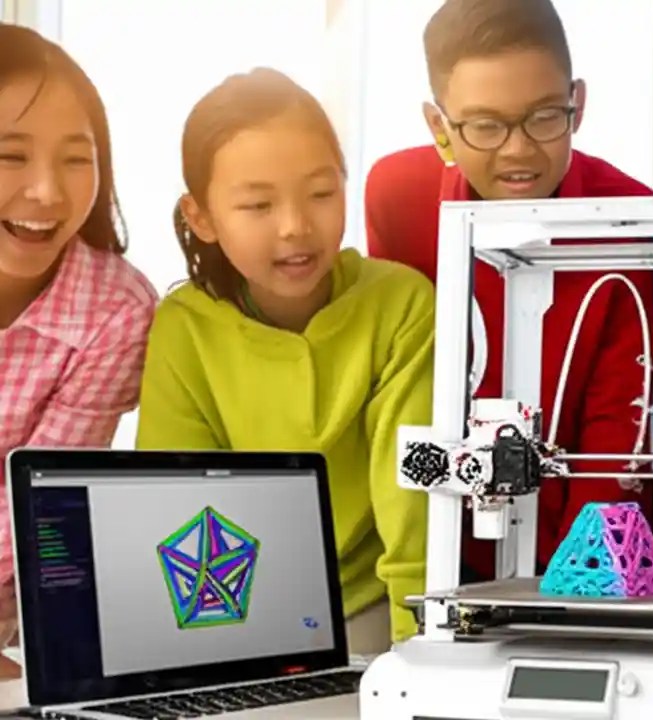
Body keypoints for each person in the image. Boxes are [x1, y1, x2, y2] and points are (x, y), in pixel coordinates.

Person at [135, 68, 433, 653]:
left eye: (321, 194)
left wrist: (419, 660)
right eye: (257, 205)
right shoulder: (184, 327)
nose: (296, 227)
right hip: (235, 616)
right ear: (202, 218)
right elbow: (177, 513)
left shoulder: (401, 304)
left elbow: (412, 505)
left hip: (371, 603)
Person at [363, 0, 653, 581]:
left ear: (579, 102)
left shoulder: (628, 212)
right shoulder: (398, 197)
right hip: (429, 546)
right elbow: (395, 385)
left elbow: (618, 416)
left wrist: (579, 580)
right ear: (438, 126)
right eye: (485, 126)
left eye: (545, 116)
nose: (519, 149)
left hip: (573, 552)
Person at [0, 23, 156, 655]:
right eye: (9, 156)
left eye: (75, 158)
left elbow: (37, 506)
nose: (46, 191)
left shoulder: (115, 310)